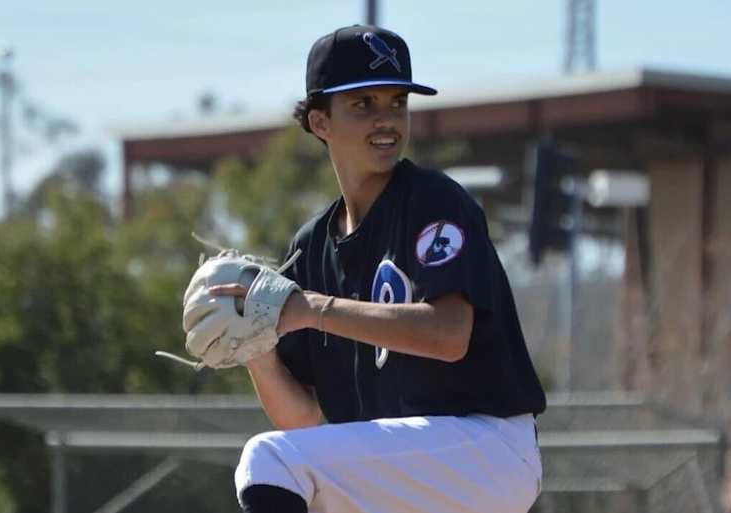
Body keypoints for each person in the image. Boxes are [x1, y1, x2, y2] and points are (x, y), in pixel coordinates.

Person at [208, 24, 546, 513]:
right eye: (363, 104)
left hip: (486, 447)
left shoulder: (431, 200)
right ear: (320, 122)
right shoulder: (310, 248)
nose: (386, 119)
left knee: (270, 460)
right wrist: (254, 348)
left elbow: (450, 336)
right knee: (302, 476)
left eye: (397, 102)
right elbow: (303, 420)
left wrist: (312, 309)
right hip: (405, 461)